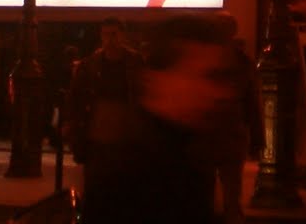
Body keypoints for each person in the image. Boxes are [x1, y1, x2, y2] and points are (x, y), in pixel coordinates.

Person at [80, 13, 234, 224]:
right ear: (158, 78)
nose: (219, 92)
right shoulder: (129, 173)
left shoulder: (193, 154)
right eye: (204, 74)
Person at [207, 14, 263, 224]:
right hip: (232, 130)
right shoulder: (242, 61)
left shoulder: (202, 58)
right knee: (232, 187)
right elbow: (251, 101)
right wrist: (257, 136)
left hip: (210, 131)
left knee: (207, 186)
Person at [65, 16, 144, 164]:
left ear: (122, 36)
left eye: (114, 34)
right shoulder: (91, 64)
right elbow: (76, 94)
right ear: (101, 36)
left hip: (124, 126)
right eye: (106, 34)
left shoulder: (135, 62)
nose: (110, 39)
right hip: (99, 125)